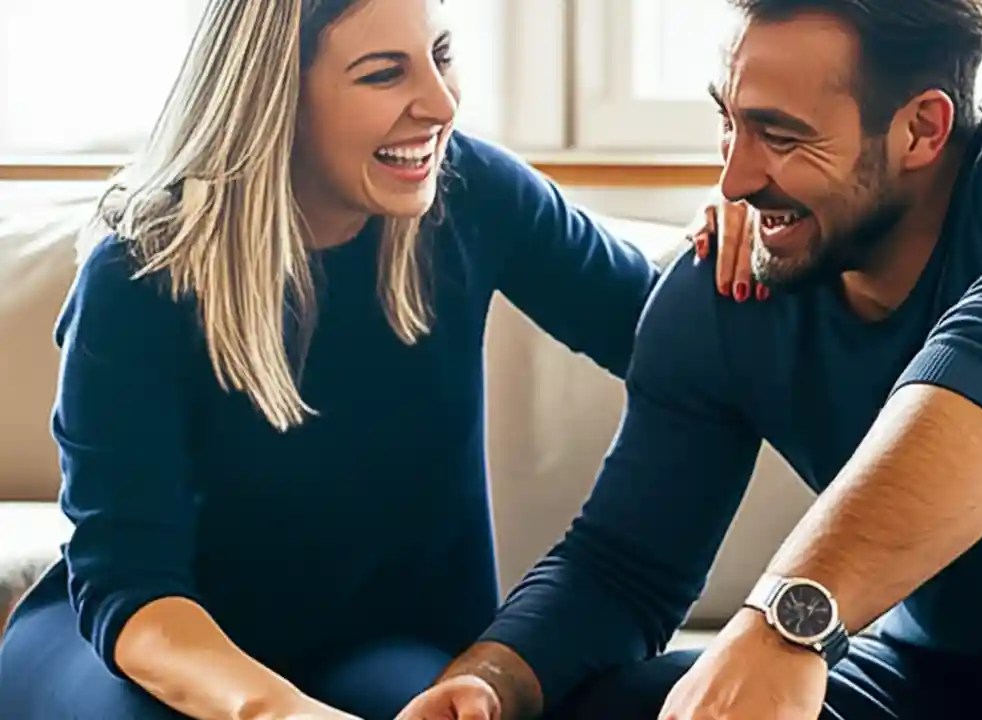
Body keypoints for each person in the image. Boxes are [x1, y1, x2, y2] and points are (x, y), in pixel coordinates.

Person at [406, 1, 982, 719]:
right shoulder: (733, 283)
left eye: (781, 137)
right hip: (925, 688)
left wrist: (787, 623)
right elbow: (622, 569)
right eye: (729, 123)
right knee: (604, 704)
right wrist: (490, 681)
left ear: (922, 128)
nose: (735, 179)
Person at [0, 0, 755, 718]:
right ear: (276, 99)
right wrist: (275, 709)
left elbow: (681, 349)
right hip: (156, 648)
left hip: (384, 644)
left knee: (418, 702)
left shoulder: (473, 195)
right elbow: (131, 587)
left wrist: (734, 232)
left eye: (441, 55)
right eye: (385, 73)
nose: (441, 104)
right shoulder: (139, 274)